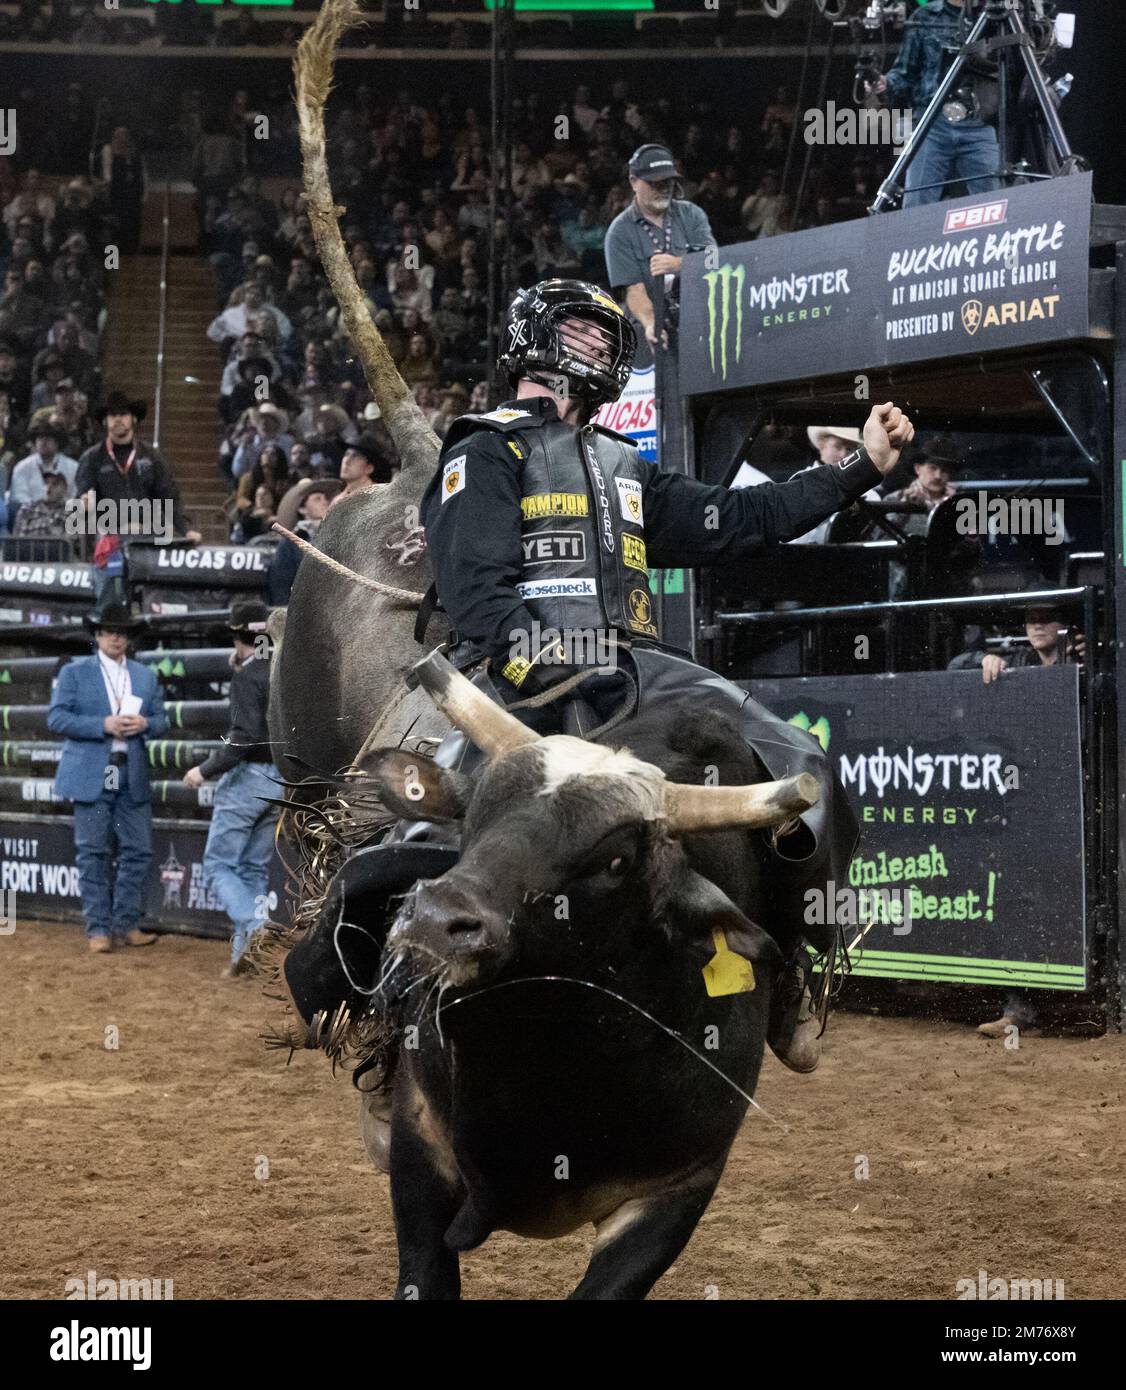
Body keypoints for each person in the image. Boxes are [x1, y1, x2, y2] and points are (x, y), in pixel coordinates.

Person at [418, 278, 915, 1073]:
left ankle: (788, 974)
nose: (597, 347)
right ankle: (386, 1018)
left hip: (641, 669)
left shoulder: (626, 466)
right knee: (421, 829)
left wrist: (862, 468)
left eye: (605, 337)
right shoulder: (485, 447)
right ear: (531, 342)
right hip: (519, 683)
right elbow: (478, 595)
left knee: (802, 763)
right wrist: (549, 667)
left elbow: (744, 521)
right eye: (579, 332)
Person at [47, 601, 169, 954]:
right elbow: (56, 718)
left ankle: (126, 923)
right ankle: (98, 928)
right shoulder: (74, 672)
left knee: (138, 850)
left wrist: (146, 724)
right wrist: (102, 724)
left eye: (123, 632)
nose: (117, 638)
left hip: (129, 770)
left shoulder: (145, 676)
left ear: (129, 638)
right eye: (110, 631)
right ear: (97, 635)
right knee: (93, 852)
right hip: (93, 771)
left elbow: (162, 721)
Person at [182, 600, 280, 978]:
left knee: (219, 864)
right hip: (281, 779)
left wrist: (203, 771)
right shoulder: (281, 668)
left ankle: (256, 929)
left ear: (236, 635)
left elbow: (242, 738)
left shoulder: (247, 676)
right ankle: (245, 954)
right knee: (253, 867)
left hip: (249, 776)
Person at [604, 144, 717, 471]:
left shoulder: (691, 214)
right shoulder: (620, 232)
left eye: (668, 181)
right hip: (650, 333)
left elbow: (714, 259)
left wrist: (680, 263)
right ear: (633, 181)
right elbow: (633, 291)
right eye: (654, 182)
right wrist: (652, 322)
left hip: (697, 320)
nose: (663, 188)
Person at [867, 0, 999, 209]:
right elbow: (904, 72)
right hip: (931, 124)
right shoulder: (925, 16)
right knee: (916, 205)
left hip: (978, 122)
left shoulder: (995, 13)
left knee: (996, 204)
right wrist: (886, 83)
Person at [74, 391, 202, 594]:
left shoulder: (152, 457)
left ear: (133, 418)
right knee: (110, 598)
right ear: (105, 421)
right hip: (110, 539)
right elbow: (79, 503)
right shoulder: (92, 458)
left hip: (148, 536)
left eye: (123, 414)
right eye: (112, 415)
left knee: (153, 595)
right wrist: (84, 507)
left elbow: (170, 496)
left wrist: (185, 529)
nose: (118, 419)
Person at [13, 466, 69, 538]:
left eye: (55, 484)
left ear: (65, 488)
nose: (49, 487)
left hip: (55, 548)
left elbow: (74, 544)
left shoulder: (71, 512)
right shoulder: (26, 509)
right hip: (27, 548)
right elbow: (15, 542)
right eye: (45, 483)